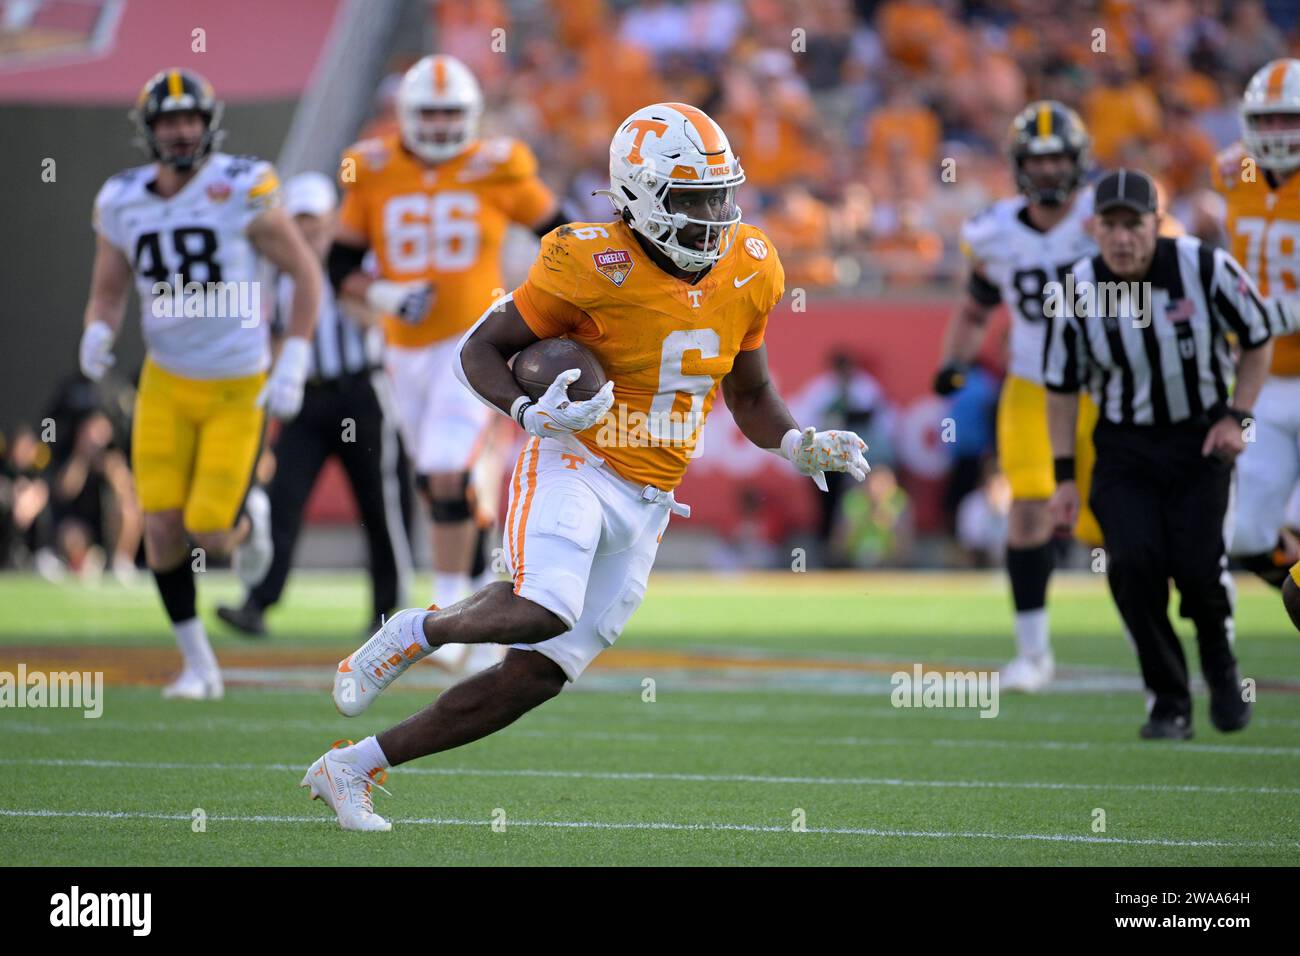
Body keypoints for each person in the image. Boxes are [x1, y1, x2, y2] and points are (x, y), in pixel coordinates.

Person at [299, 102, 869, 831]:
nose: (712, 214)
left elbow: (749, 391)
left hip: (653, 495)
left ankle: (350, 768)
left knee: (536, 675)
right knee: (544, 606)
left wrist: (796, 443)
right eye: (692, 199)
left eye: (719, 194)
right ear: (639, 196)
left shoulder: (752, 264)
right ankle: (417, 631)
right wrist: (526, 413)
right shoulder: (587, 259)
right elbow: (479, 349)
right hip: (574, 455)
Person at [79, 68, 321, 699]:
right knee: (159, 526)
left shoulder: (240, 186)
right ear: (149, 130)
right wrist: (98, 331)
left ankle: (251, 519)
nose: (181, 131)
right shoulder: (122, 198)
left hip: (235, 386)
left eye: (190, 119)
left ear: (208, 124)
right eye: (168, 121)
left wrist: (293, 355)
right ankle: (199, 664)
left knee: (209, 531)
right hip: (165, 383)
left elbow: (305, 272)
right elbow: (107, 291)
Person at [327, 54, 567, 637]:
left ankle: (447, 614)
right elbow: (339, 263)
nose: (438, 126)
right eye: (428, 114)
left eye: (450, 114)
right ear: (407, 115)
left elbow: (561, 233)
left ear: (472, 115)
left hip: (472, 345)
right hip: (402, 350)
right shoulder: (371, 165)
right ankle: (473, 555)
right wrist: (384, 295)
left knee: (440, 468)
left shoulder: (499, 164)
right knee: (434, 477)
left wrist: (541, 307)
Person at [1045, 168, 1273, 740]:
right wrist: (1065, 478)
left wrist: (1237, 416)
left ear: (1157, 224)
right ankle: (1169, 698)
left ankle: (1221, 670)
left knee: (1198, 571)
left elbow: (1258, 336)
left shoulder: (1204, 266)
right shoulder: (1074, 287)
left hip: (1199, 438)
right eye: (1111, 226)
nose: (1123, 238)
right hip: (1124, 446)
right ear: (1094, 229)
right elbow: (1060, 385)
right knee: (1132, 566)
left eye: (1134, 225)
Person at [933, 101, 1101, 691]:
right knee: (1027, 509)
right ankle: (1033, 652)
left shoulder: (1105, 217)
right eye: (1038, 160)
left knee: (1124, 515)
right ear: (1019, 164)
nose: (1050, 171)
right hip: (1032, 383)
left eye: (1058, 160)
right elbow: (976, 309)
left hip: (1109, 385)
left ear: (1077, 162)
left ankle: (1155, 638)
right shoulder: (995, 232)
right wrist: (954, 362)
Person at [217, 172, 413, 638]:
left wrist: (339, 279)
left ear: (332, 219)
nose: (307, 230)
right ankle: (258, 602)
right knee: (283, 497)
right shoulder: (279, 269)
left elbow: (372, 319)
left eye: (314, 220)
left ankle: (389, 611)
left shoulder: (356, 261)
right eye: (299, 219)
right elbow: (275, 334)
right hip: (306, 397)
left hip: (358, 395)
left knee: (379, 504)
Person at [1214, 59, 1300, 587]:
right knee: (1245, 535)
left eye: (1287, 119)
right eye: (1264, 120)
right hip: (1262, 379)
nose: (1273, 133)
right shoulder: (1232, 172)